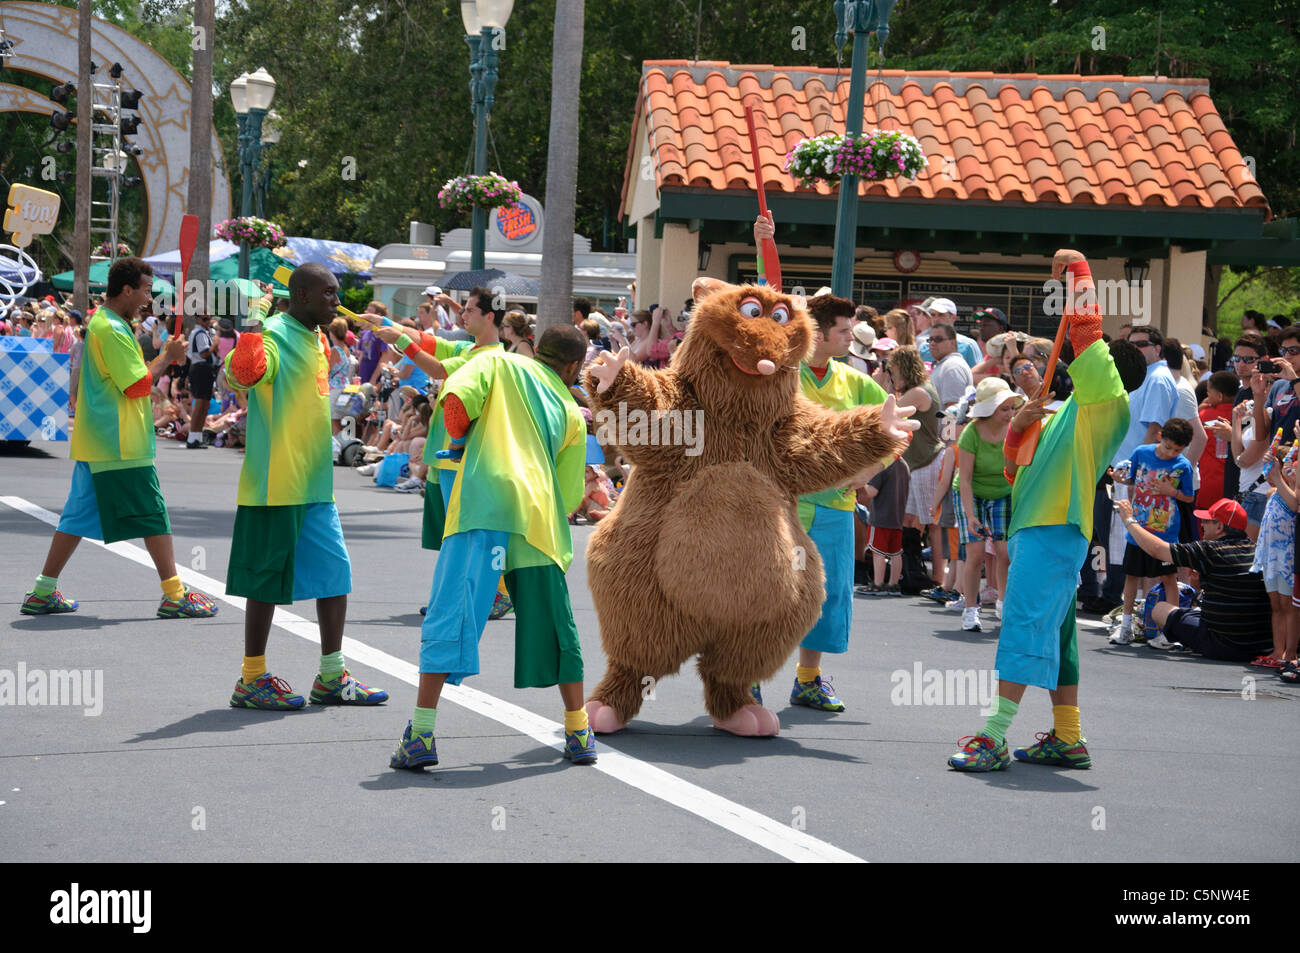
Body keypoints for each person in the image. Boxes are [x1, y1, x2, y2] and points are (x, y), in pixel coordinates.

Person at [947, 249, 1140, 773]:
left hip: (1054, 531)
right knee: (1057, 634)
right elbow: (1013, 475)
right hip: (1038, 529)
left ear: (1107, 369)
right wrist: (1017, 427)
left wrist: (1078, 270)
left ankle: (993, 736)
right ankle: (1069, 737)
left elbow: (1084, 329)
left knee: (1022, 625)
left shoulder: (1106, 406)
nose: (1078, 359)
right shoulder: (1058, 418)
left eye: (1092, 356)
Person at [390, 325, 593, 768]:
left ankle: (421, 735)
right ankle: (578, 730)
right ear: (575, 367)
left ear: (536, 349)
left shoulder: (497, 360)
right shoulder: (573, 412)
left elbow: (456, 403)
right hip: (536, 518)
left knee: (451, 612)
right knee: (559, 625)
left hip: (483, 504)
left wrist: (464, 441)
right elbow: (571, 493)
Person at [222, 263, 387, 710]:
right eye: (329, 294)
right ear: (302, 297)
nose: (337, 301)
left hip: (316, 482)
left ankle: (331, 676)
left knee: (336, 575)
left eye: (337, 293)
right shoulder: (274, 331)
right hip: (276, 481)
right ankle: (251, 677)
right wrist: (253, 324)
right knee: (266, 581)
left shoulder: (315, 335)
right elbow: (246, 374)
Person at [21, 257, 218, 619]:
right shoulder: (110, 327)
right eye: (144, 290)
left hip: (102, 439)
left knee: (75, 517)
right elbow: (137, 385)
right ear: (126, 289)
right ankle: (174, 595)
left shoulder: (105, 322)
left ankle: (42, 591)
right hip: (120, 442)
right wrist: (166, 356)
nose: (148, 297)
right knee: (153, 514)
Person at [780, 285, 888, 711]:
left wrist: (870, 468)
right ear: (819, 334)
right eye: (844, 331)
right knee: (772, 589)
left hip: (835, 507)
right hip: (783, 502)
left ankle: (807, 680)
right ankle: (745, 677)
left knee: (826, 593)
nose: (851, 337)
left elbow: (898, 427)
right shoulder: (785, 372)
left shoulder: (857, 382)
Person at [1118, 497, 1272, 659]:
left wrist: (1130, 521)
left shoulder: (1210, 550)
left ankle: (1182, 640)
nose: (1202, 524)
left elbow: (1157, 550)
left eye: (1206, 521)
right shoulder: (1256, 549)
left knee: (1160, 609)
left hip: (1222, 644)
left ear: (1219, 526)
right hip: (1260, 645)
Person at [1109, 417, 1195, 644]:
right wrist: (1120, 478)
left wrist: (1171, 491)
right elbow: (1132, 480)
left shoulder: (1183, 465)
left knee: (1169, 577)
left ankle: (1172, 631)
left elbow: (1189, 496)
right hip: (1139, 529)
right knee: (1132, 575)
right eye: (1168, 447)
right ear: (1160, 437)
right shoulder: (1141, 453)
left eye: (1177, 450)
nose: (1170, 453)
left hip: (1165, 534)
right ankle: (1125, 625)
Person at [952, 377, 1022, 631]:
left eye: (1012, 408)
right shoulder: (971, 432)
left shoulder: (1014, 429)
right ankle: (971, 608)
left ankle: (1003, 602)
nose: (1010, 413)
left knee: (1005, 552)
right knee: (976, 553)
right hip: (972, 492)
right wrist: (971, 516)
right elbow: (967, 480)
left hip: (1003, 491)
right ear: (989, 410)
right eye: (1004, 409)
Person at [891, 344, 947, 590]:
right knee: (912, 519)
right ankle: (915, 572)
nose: (890, 373)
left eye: (892, 369)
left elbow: (888, 411)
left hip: (926, 462)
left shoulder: (916, 392)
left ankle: (938, 579)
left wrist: (885, 382)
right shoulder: (924, 388)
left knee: (931, 523)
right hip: (919, 463)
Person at [1198, 370, 1239, 509]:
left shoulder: (1203, 415)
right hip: (1235, 483)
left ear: (1219, 395)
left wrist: (1199, 410)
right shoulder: (1244, 416)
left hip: (1208, 482)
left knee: (1204, 526)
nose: (1207, 397)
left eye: (1209, 393)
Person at [184, 313, 219, 449]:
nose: (207, 321)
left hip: (205, 369)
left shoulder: (204, 332)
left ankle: (197, 436)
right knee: (200, 403)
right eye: (204, 319)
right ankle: (193, 437)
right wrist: (214, 344)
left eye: (209, 318)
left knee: (205, 404)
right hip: (200, 368)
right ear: (197, 319)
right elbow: (204, 353)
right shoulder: (199, 333)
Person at [918, 298, 980, 367]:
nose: (936, 319)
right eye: (933, 315)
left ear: (953, 317)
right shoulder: (924, 347)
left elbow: (977, 374)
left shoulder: (968, 345)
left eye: (941, 314)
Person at [928, 322, 975, 410]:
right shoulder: (945, 365)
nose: (932, 343)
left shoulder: (952, 367)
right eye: (930, 340)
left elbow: (953, 411)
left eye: (938, 339)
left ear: (953, 343)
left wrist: (949, 424)